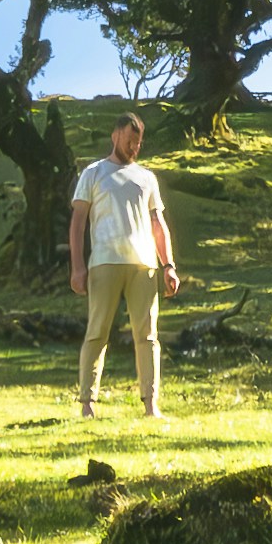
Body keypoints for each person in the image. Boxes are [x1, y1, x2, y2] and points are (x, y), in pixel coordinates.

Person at [68, 109, 180, 426]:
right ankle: (88, 403)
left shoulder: (147, 178)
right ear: (116, 134)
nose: (134, 148)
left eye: (138, 143)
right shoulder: (93, 173)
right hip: (104, 261)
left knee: (147, 336)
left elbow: (159, 224)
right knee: (97, 333)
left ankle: (151, 404)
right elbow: (77, 223)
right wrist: (78, 267)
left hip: (143, 265)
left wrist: (168, 265)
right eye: (130, 140)